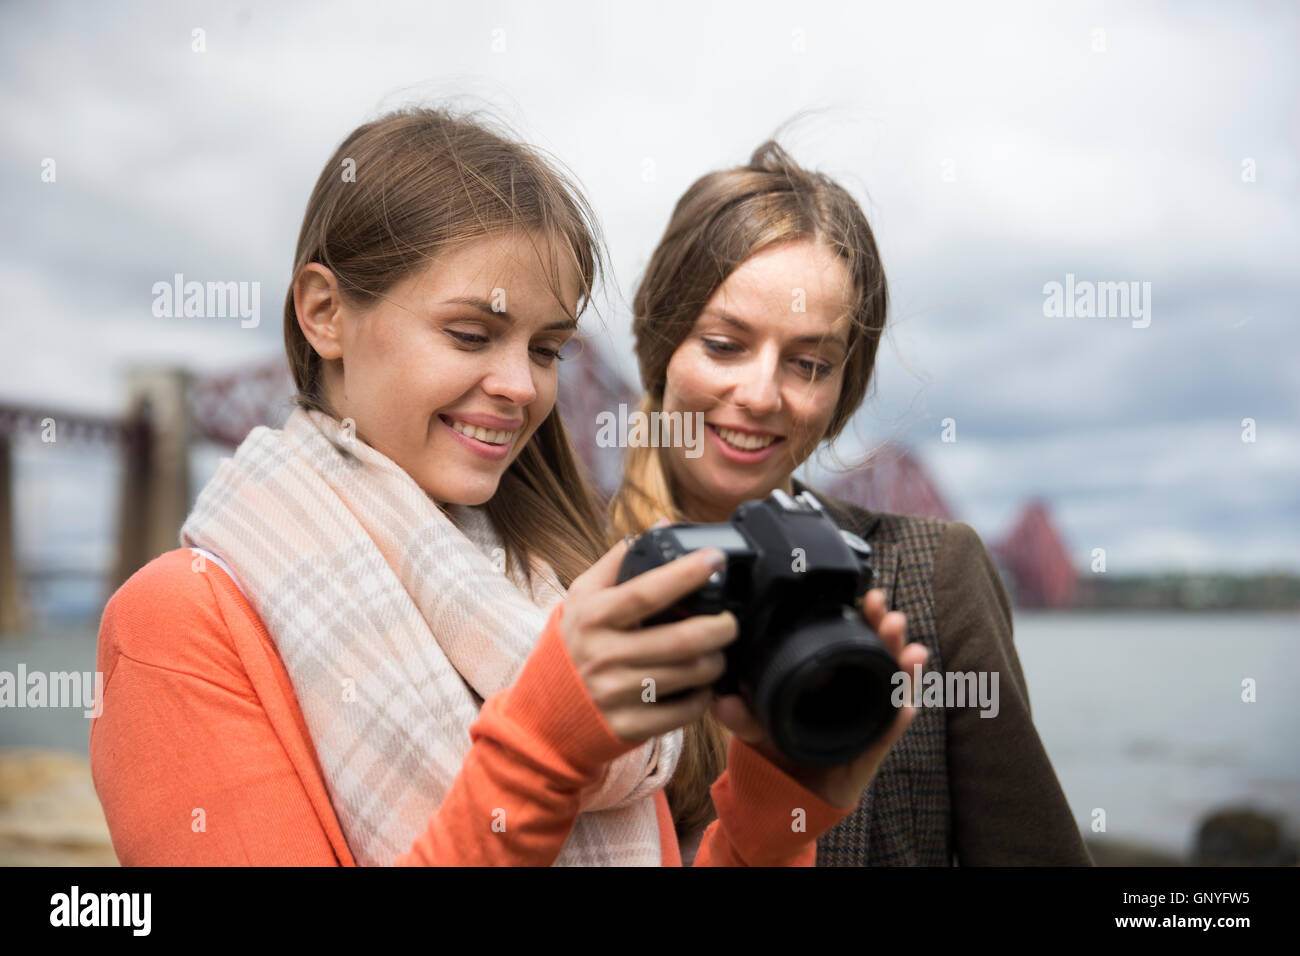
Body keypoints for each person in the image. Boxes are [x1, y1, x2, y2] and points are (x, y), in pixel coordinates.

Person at [88, 107, 925, 866]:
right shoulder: (176, 626)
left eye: (546, 348)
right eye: (471, 333)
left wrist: (776, 818)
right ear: (323, 313)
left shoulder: (558, 578)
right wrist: (544, 747)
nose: (521, 388)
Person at [609, 139, 1094, 866]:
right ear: (659, 345)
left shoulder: (930, 575)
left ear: (842, 392)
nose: (762, 395)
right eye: (723, 344)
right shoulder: (557, 576)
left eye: (809, 363)